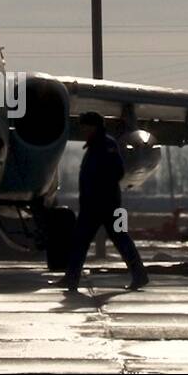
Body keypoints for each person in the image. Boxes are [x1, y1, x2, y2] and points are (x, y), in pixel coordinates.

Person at [59, 111, 149, 292]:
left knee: (118, 239)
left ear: (93, 127)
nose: (83, 130)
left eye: (85, 126)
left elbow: (118, 172)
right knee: (81, 241)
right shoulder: (95, 146)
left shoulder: (107, 145)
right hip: (94, 205)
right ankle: (71, 278)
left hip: (105, 205)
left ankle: (139, 276)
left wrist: (99, 188)